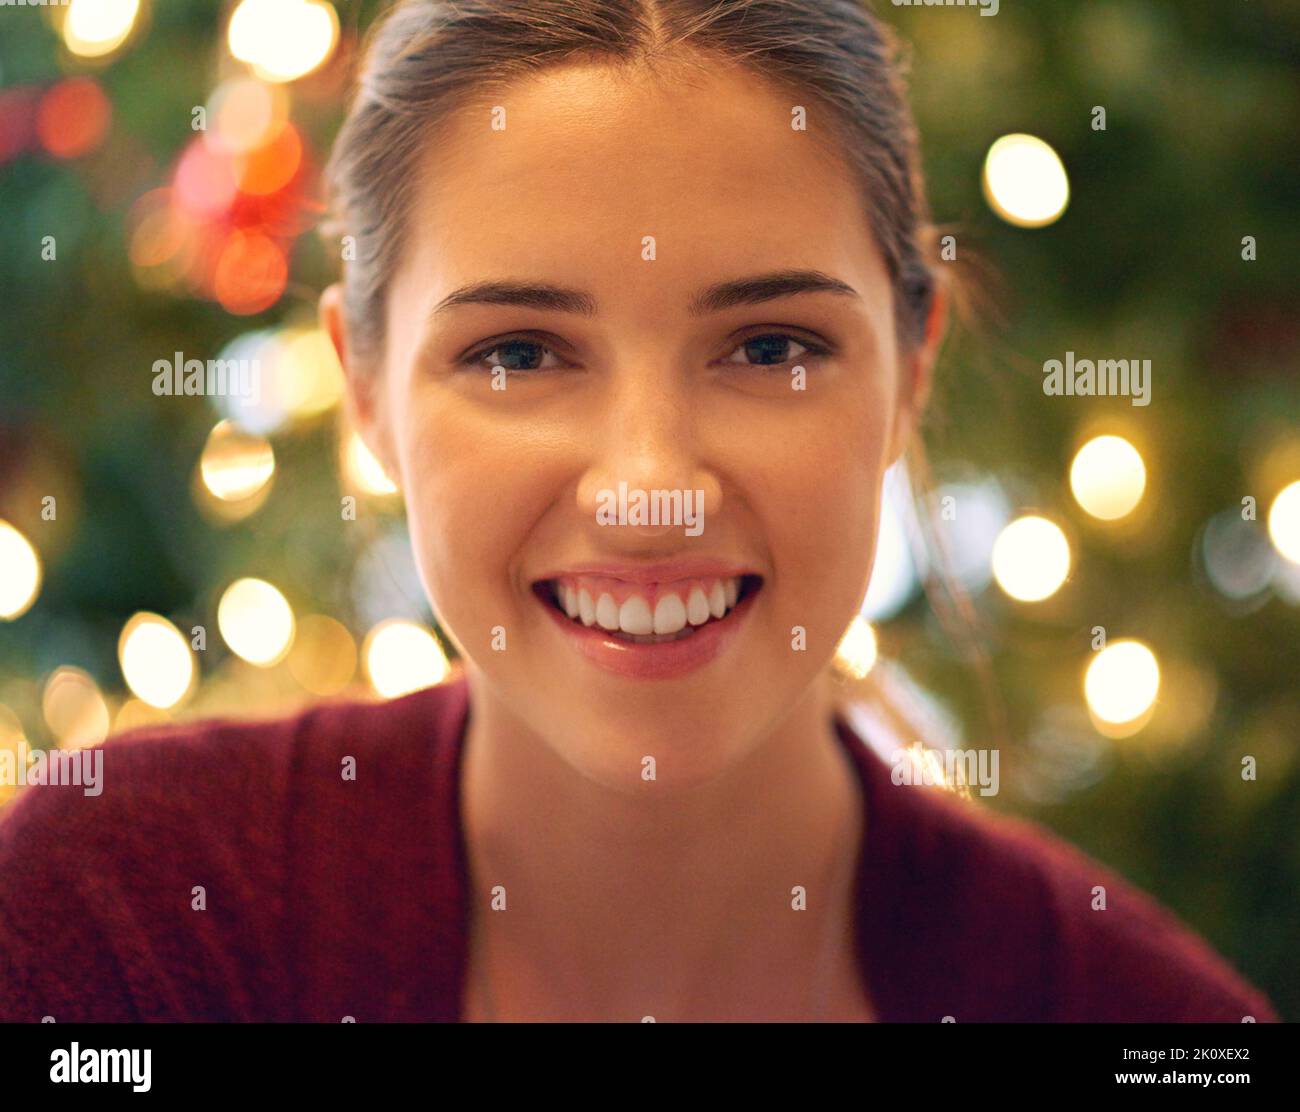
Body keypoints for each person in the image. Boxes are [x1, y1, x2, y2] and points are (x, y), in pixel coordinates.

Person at [0, 0, 1280, 1023]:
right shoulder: (121, 917)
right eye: (516, 353)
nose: (648, 489)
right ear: (367, 390)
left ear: (912, 368)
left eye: (770, 345)